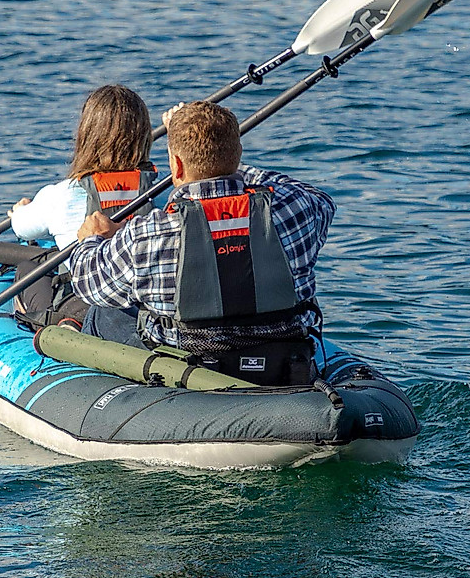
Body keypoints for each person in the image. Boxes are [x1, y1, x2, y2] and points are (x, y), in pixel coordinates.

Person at [69, 100, 335, 385]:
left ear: (177, 165)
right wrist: (228, 160)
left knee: (103, 313)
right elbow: (314, 195)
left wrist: (91, 239)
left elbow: (87, 282)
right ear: (237, 154)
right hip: (280, 361)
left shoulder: (145, 234)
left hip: (190, 369)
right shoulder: (296, 209)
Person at [2, 84, 156, 329]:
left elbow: (21, 228)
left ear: (85, 137)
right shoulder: (161, 191)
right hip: (147, 303)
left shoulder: (60, 195)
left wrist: (21, 210)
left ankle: (45, 335)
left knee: (27, 270)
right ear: (145, 137)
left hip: (86, 303)